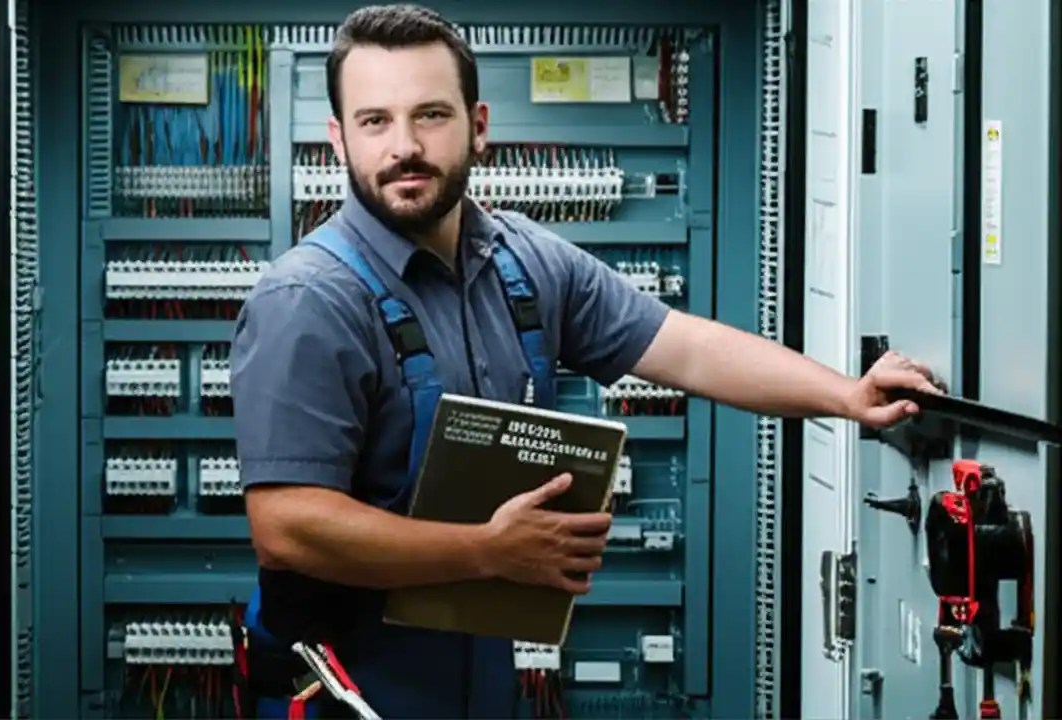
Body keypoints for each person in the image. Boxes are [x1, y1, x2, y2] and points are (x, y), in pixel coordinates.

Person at [228, 4, 941, 718]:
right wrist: (487, 552)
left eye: (431, 115)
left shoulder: (522, 262)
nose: (403, 146)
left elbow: (687, 347)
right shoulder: (308, 301)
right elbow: (289, 525)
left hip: (476, 675)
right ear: (337, 139)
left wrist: (848, 395)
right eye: (374, 120)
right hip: (344, 689)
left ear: (478, 127)